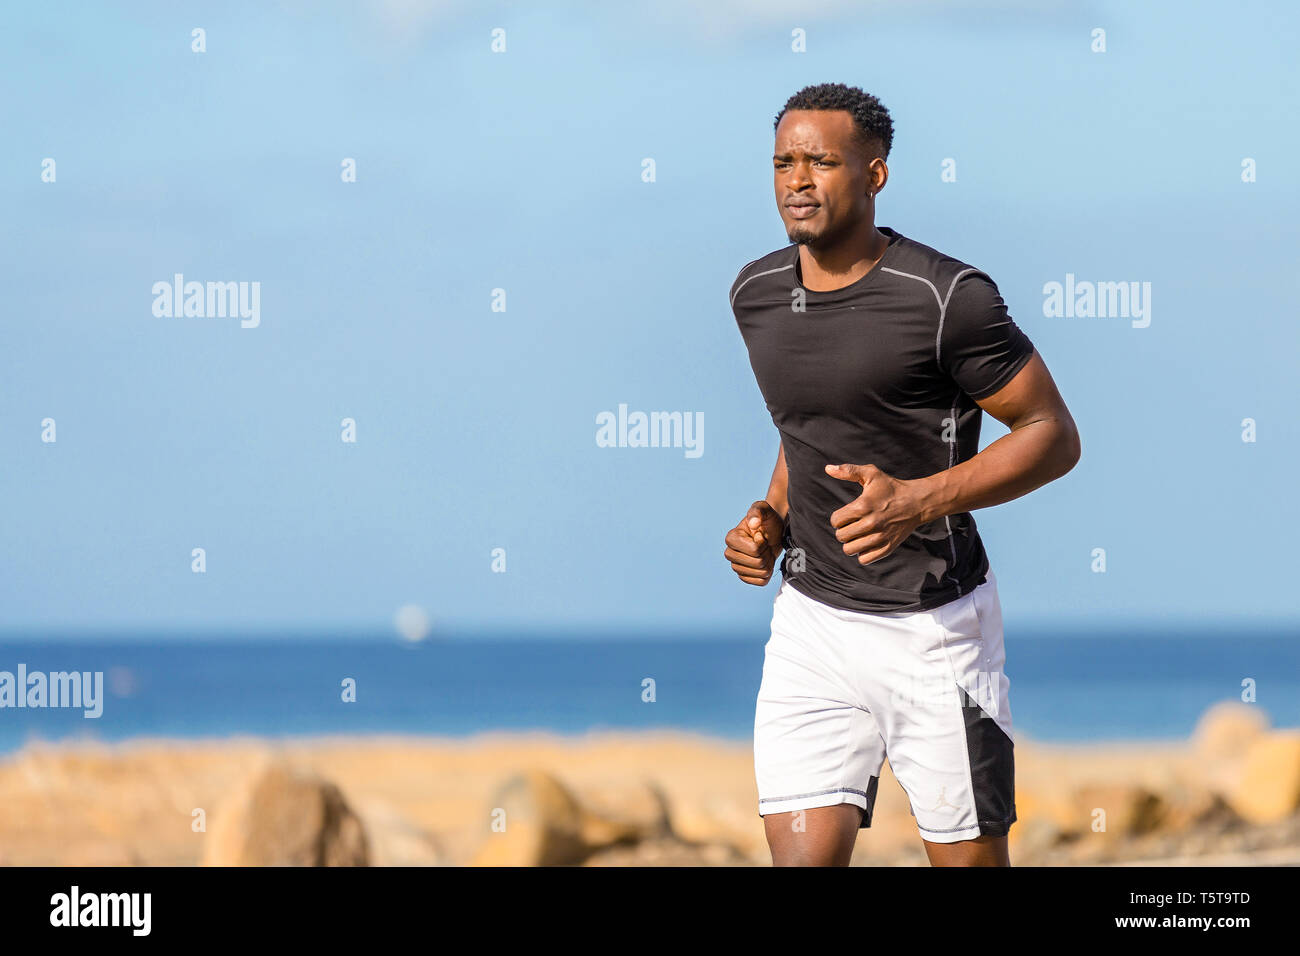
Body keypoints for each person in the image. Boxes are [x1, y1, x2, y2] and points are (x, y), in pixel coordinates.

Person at [725, 83, 1081, 866]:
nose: (798, 179)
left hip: (936, 626)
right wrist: (771, 516)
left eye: (822, 161)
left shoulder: (949, 297)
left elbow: (1052, 434)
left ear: (875, 174)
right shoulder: (756, 295)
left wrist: (917, 500)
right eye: (784, 161)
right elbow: (807, 428)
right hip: (811, 622)